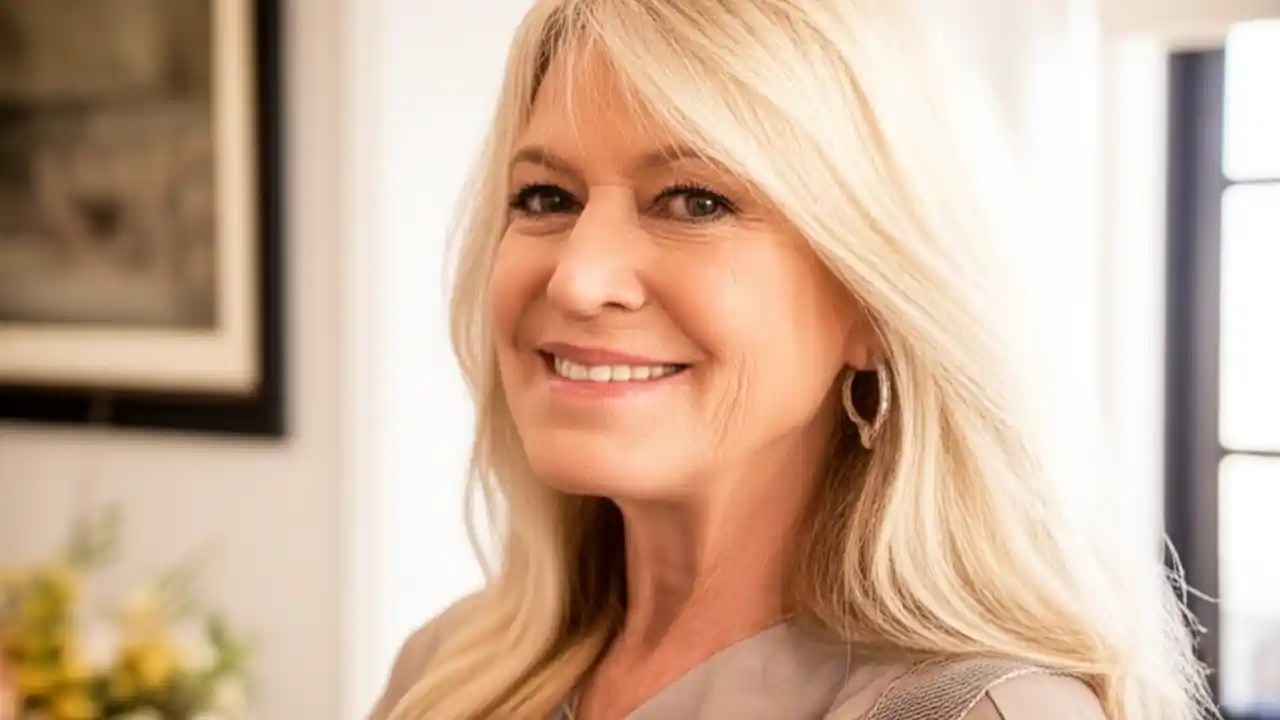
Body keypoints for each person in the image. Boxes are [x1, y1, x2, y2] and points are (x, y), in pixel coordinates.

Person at [368, 0, 1212, 718]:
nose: (580, 277)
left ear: (874, 302)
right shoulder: (449, 673)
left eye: (695, 201)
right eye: (546, 197)